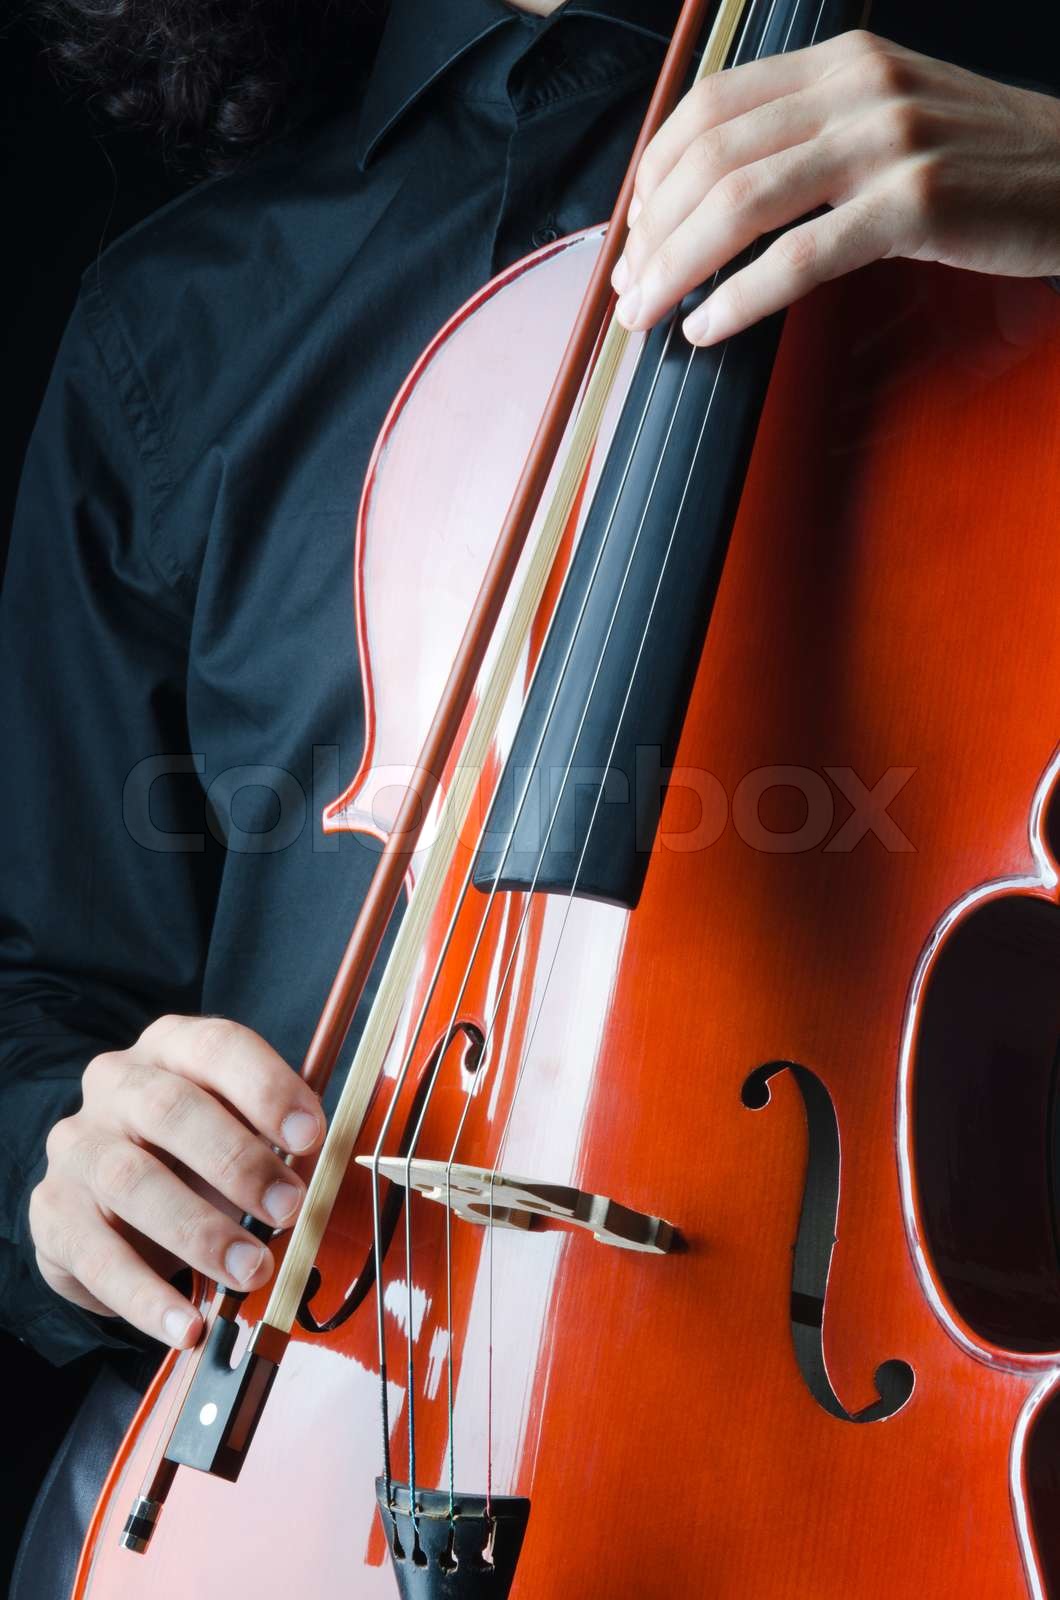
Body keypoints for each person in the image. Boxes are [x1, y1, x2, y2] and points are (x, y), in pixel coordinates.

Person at [3, 0, 1060, 1590]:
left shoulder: (1012, 185)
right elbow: (38, 998)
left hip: (861, 1473)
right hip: (295, 1467)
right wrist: (67, 1163)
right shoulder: (182, 322)